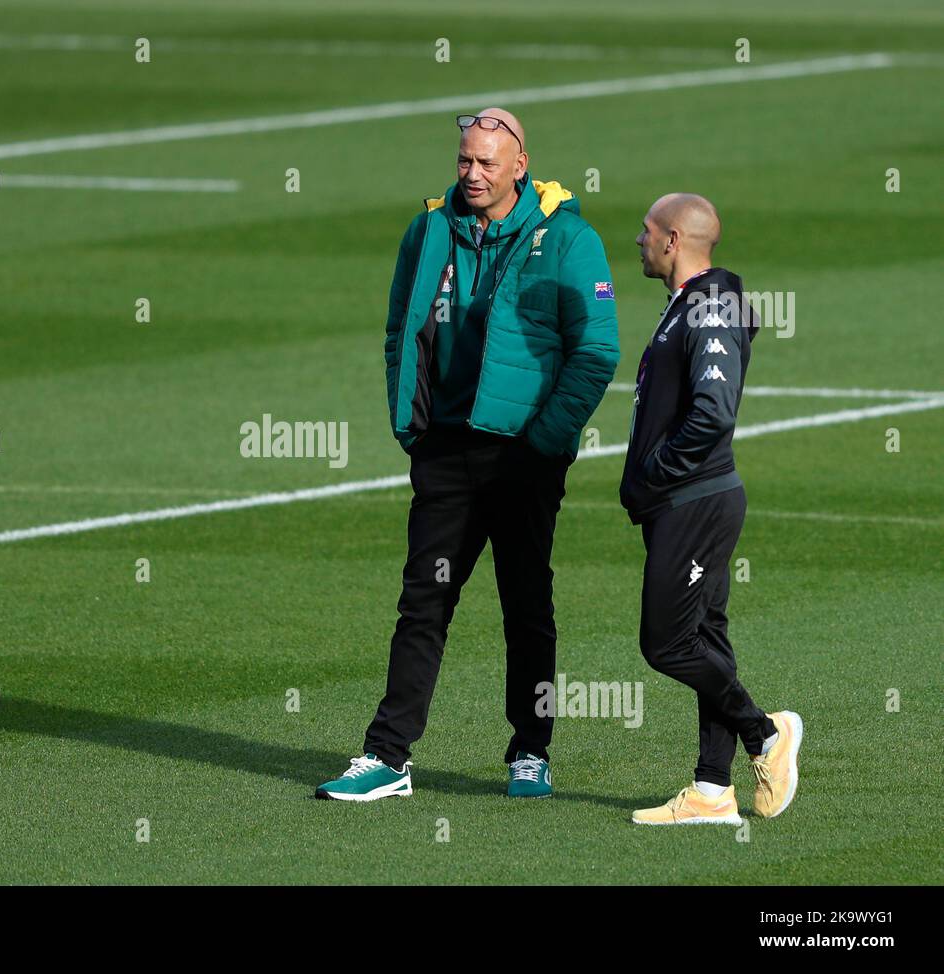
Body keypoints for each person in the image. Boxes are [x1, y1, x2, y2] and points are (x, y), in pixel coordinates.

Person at [316, 108, 620, 801]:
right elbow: (400, 329)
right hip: (445, 450)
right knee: (423, 600)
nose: (473, 173)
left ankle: (531, 751)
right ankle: (387, 755)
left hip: (523, 455)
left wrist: (544, 444)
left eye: (487, 162)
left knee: (526, 604)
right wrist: (412, 427)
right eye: (464, 160)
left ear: (520, 164)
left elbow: (597, 350)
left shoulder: (567, 238)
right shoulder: (426, 232)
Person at [623, 193, 802, 825]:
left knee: (666, 643)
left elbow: (714, 411)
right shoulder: (684, 306)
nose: (637, 242)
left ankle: (766, 734)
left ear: (673, 241)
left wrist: (659, 473)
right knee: (705, 638)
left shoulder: (711, 305)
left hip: (694, 501)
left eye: (646, 232)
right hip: (684, 500)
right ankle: (710, 789)